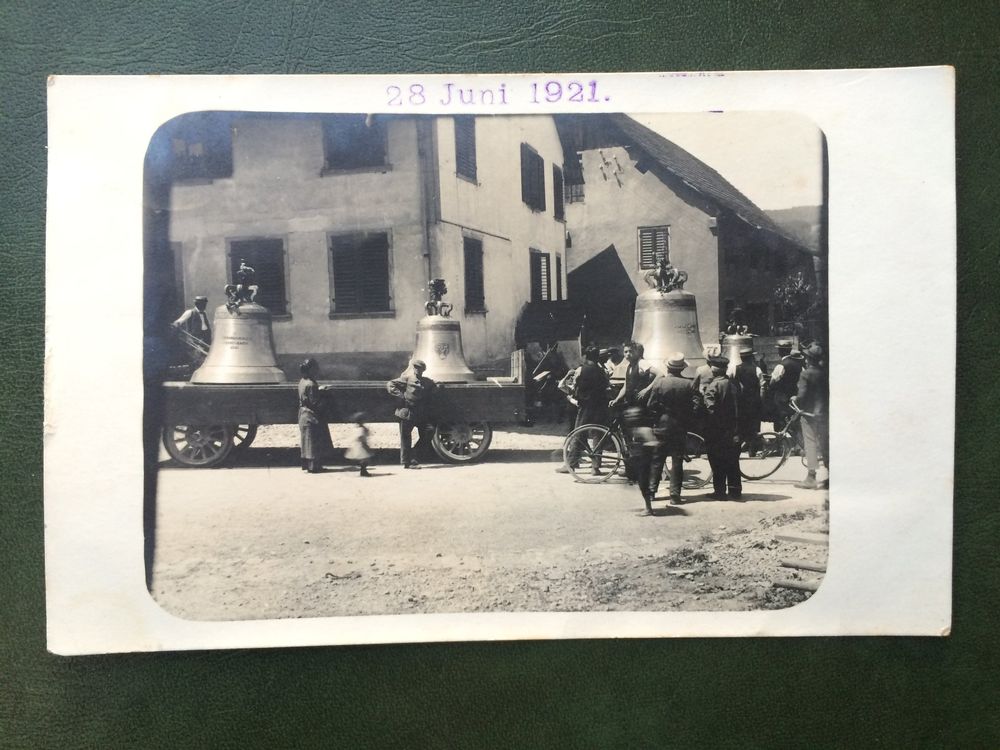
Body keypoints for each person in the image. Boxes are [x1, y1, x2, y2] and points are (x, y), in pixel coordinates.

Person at [639, 353, 697, 512]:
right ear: (682, 368)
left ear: (668, 367)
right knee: (677, 462)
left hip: (662, 425)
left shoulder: (659, 384)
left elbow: (651, 406)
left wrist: (657, 417)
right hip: (680, 426)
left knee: (657, 461)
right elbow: (695, 406)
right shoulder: (688, 384)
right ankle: (675, 496)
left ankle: (651, 493)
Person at [558, 345, 611, 474]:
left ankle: (571, 464)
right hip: (600, 406)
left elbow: (575, 387)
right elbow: (606, 386)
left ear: (586, 356)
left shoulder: (581, 370)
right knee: (598, 435)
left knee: (578, 434)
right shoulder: (602, 371)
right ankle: (595, 467)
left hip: (586, 406)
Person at [702, 354, 742, 500]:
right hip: (734, 428)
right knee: (732, 461)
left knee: (717, 461)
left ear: (713, 369)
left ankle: (719, 492)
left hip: (718, 431)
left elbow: (710, 410)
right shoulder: (734, 384)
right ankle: (735, 490)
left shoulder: (713, 386)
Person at [386, 358, 437, 469]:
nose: (418, 370)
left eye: (420, 369)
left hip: (420, 413)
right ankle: (406, 462)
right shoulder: (407, 379)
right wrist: (400, 396)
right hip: (407, 412)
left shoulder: (426, 381)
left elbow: (435, 385)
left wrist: (437, 388)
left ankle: (415, 456)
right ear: (413, 369)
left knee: (430, 430)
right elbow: (390, 384)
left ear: (423, 370)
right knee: (405, 438)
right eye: (416, 368)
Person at [793, 343, 829, 490]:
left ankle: (811, 477)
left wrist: (795, 399)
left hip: (809, 414)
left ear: (808, 359)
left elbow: (801, 396)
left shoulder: (806, 374)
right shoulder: (825, 373)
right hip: (824, 414)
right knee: (826, 444)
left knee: (810, 444)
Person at [298, 358, 333, 473]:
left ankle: (308, 466)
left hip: (303, 414)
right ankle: (315, 467)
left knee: (307, 441)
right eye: (316, 368)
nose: (317, 370)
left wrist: (318, 390)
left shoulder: (302, 381)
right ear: (312, 369)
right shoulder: (311, 384)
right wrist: (324, 394)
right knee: (314, 441)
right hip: (311, 415)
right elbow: (315, 403)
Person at [769, 345, 805, 433]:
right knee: (792, 420)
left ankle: (780, 441)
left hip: (781, 397)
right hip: (793, 397)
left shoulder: (781, 366)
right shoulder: (800, 365)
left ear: (780, 351)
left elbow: (772, 382)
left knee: (780, 420)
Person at [734, 346, 763, 451]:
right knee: (754, 424)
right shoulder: (757, 369)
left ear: (741, 358)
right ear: (751, 357)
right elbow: (762, 385)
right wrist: (761, 398)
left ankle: (743, 443)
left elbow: (732, 382)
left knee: (743, 422)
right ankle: (753, 447)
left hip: (741, 401)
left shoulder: (736, 368)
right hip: (754, 400)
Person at [345, 411, 373, 477]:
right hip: (361, 446)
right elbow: (360, 437)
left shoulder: (358, 428)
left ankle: (363, 470)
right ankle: (363, 471)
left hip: (358, 445)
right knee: (365, 459)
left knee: (364, 459)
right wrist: (365, 445)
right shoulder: (361, 429)